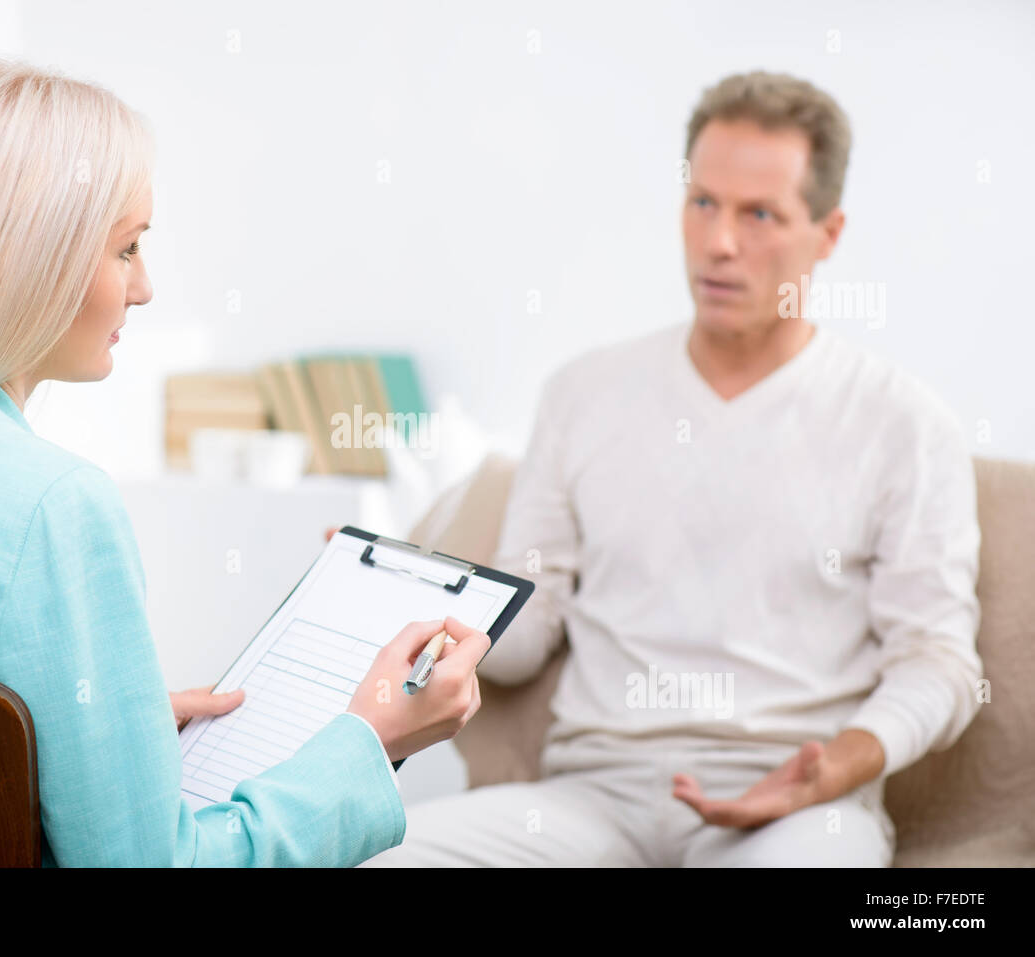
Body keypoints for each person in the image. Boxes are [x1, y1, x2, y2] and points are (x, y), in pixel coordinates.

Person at [0, 58, 489, 867]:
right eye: (127, 248)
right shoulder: (56, 507)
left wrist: (76, 741)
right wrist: (367, 744)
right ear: (34, 261)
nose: (146, 288)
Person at [362, 71, 983, 867]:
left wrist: (842, 762)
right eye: (703, 203)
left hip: (793, 811)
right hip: (591, 800)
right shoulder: (583, 393)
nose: (720, 242)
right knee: (374, 856)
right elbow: (528, 627)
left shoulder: (903, 423)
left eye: (760, 214)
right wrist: (400, 589)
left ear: (828, 234)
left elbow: (940, 661)